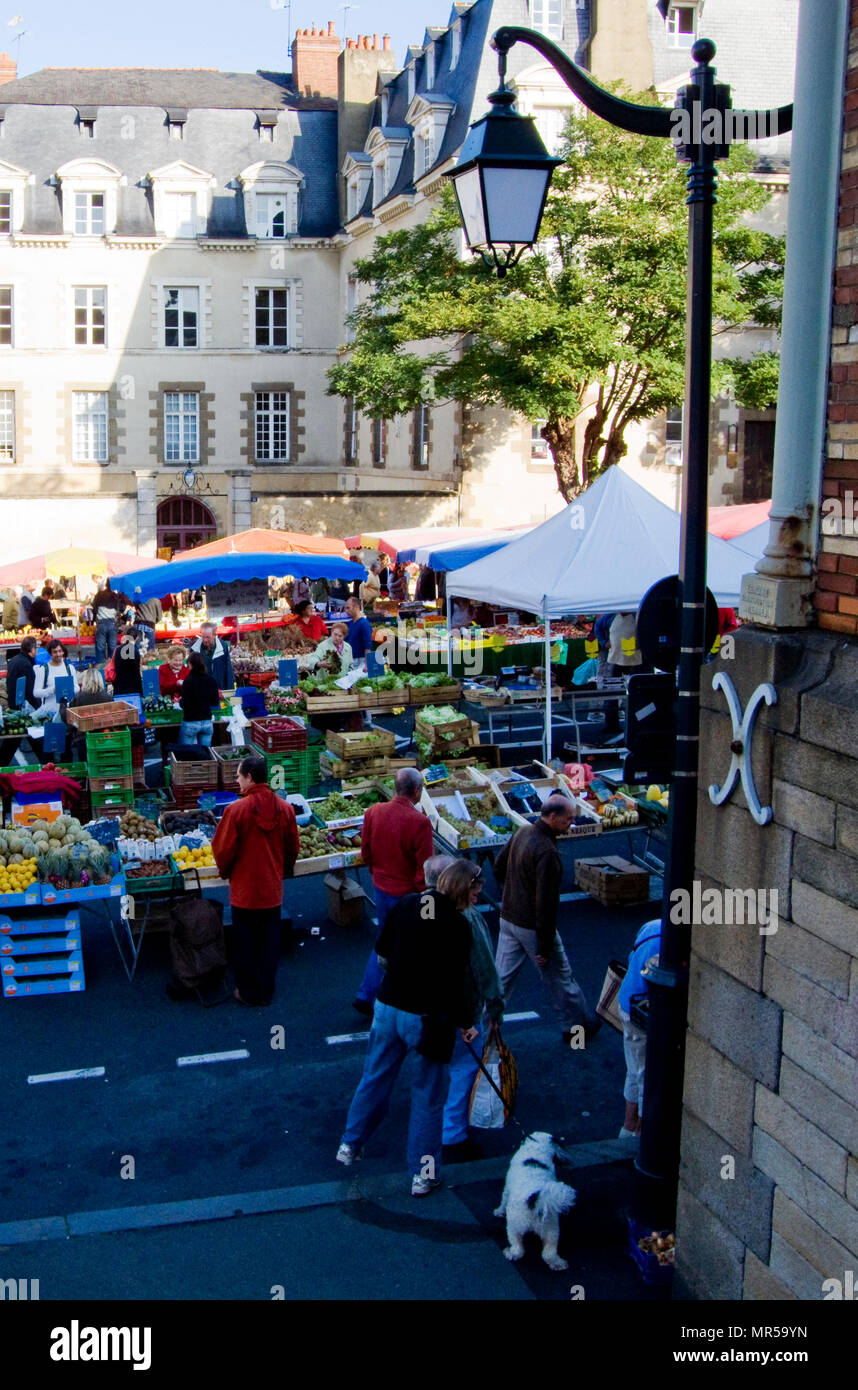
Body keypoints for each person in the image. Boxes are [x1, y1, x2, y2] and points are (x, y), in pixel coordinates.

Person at [336, 858, 479, 1196]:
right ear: (462, 887)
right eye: (476, 888)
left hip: (388, 1007)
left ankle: (350, 1144)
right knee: (429, 1097)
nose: (479, 895)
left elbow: (382, 951)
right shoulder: (459, 926)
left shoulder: (407, 904)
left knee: (374, 1078)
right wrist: (465, 1022)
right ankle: (423, 1173)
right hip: (427, 1017)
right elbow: (456, 981)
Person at [493, 795, 601, 1043]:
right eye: (568, 818)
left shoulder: (523, 831)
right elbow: (547, 904)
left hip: (508, 918)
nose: (572, 823)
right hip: (532, 926)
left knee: (501, 979)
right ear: (552, 817)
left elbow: (498, 867)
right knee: (559, 977)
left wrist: (512, 895)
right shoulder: (547, 852)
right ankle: (576, 1027)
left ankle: (484, 1024)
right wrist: (543, 945)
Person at [427, 856, 506, 1161]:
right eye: (476, 885)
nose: (480, 891)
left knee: (434, 1069)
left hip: (427, 1010)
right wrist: (496, 1009)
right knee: (464, 1068)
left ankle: (431, 1126)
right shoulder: (469, 920)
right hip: (463, 1011)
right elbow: (484, 969)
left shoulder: (423, 908)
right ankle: (453, 1135)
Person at [212, 755, 299, 1006]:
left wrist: (225, 872)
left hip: (244, 891)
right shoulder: (285, 809)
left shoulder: (235, 811)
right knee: (270, 944)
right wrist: (281, 869)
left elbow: (223, 850)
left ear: (250, 778)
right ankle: (266, 990)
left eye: (239, 776)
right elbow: (292, 847)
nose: (236, 781)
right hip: (271, 889)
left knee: (245, 944)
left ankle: (247, 991)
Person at [353, 766, 434, 1015]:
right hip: (407, 894)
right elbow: (425, 870)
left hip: (381, 887)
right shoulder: (420, 822)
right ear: (417, 791)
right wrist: (427, 901)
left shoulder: (374, 812)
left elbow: (365, 851)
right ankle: (406, 998)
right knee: (416, 944)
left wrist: (376, 873)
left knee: (384, 941)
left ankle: (366, 993)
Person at [617, 918, 663, 1141]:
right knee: (646, 1074)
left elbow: (632, 957)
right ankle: (641, 1132)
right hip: (641, 1012)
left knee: (633, 1067)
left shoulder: (653, 926)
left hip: (626, 1002)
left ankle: (628, 1126)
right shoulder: (673, 945)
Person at [178, 651, 220, 746]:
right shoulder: (211, 680)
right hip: (207, 722)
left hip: (191, 722)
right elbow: (215, 702)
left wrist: (180, 701)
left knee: (186, 756)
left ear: (190, 664)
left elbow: (185, 704)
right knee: (205, 755)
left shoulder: (188, 681)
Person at [33, 638, 80, 714]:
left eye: (60, 651)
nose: (58, 654)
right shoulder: (43, 670)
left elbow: (77, 688)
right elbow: (36, 693)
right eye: (55, 652)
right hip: (49, 712)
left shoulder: (70, 668)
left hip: (68, 711)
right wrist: (52, 690)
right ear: (50, 653)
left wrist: (69, 689)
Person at [92, 579, 127, 663]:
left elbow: (94, 609)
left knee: (100, 649)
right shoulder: (116, 596)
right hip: (112, 624)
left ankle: (101, 671)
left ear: (106, 585)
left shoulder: (99, 595)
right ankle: (112, 670)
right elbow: (123, 609)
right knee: (112, 650)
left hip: (101, 624)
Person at [191, 622, 234, 688]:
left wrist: (229, 690)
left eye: (208, 637)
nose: (205, 640)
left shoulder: (223, 646)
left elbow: (228, 670)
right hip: (201, 688)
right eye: (203, 636)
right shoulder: (194, 648)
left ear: (214, 635)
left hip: (219, 688)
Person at [5, 635, 38, 709]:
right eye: (36, 648)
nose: (37, 650)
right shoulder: (26, 664)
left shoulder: (14, 659)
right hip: (20, 705)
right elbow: (30, 689)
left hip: (12, 701)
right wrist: (37, 706)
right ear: (32, 649)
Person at [112, 624, 144, 697]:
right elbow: (136, 673)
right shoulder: (134, 651)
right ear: (137, 638)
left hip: (119, 688)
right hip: (132, 689)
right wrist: (140, 691)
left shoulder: (118, 649)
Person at [343, 595, 373, 665]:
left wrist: (366, 664)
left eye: (348, 608)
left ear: (356, 607)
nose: (346, 611)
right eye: (345, 608)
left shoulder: (364, 624)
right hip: (350, 659)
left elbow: (368, 645)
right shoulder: (350, 623)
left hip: (360, 661)